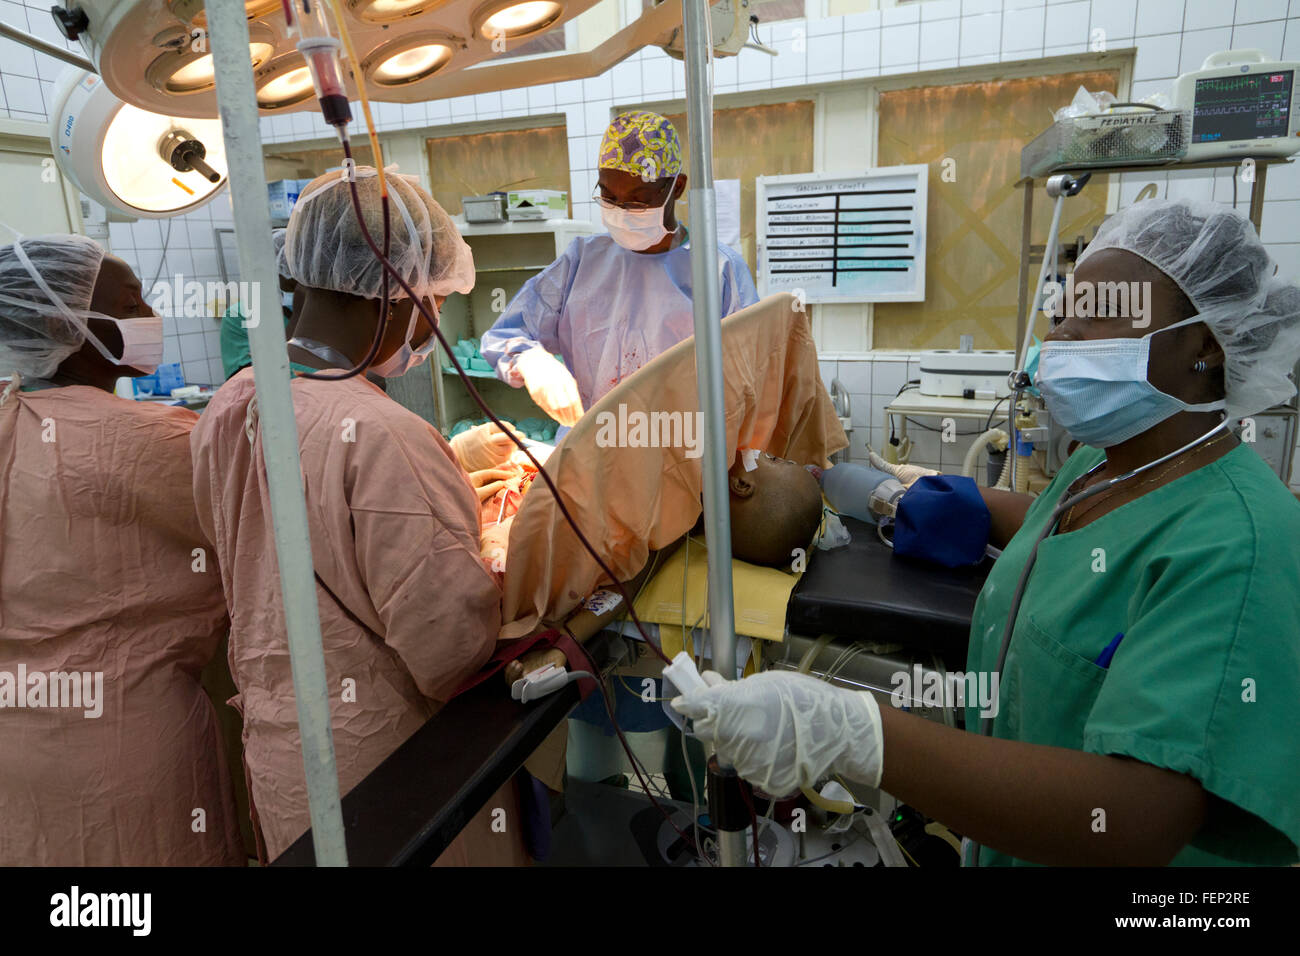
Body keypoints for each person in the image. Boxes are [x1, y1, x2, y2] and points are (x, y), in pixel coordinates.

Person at [672, 198, 1300, 866]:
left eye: (1099, 315)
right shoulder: (1107, 464)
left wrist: (856, 732)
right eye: (1063, 314)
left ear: (1206, 343)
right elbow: (1075, 532)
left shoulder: (1240, 545)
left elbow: (1133, 818)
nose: (1060, 338)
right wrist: (925, 496)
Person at [190, 167, 527, 865]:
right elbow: (450, 648)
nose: (431, 325)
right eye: (430, 304)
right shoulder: (386, 436)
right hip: (391, 765)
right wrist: (495, 550)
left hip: (288, 760)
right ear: (396, 294)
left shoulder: (231, 403)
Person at [0, 234, 243, 865]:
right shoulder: (151, 443)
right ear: (65, 324)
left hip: (18, 750)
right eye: (132, 305)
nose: (149, 318)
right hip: (130, 748)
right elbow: (269, 535)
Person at [480, 110, 759, 431]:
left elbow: (751, 373)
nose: (622, 212)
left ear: (677, 187)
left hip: (683, 452)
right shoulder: (582, 261)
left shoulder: (718, 270)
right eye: (610, 198)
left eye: (638, 201)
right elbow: (506, 333)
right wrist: (531, 362)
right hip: (592, 445)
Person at [219, 228, 300, 380]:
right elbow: (245, 385)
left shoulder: (327, 312)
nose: (294, 282)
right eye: (286, 273)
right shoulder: (241, 316)